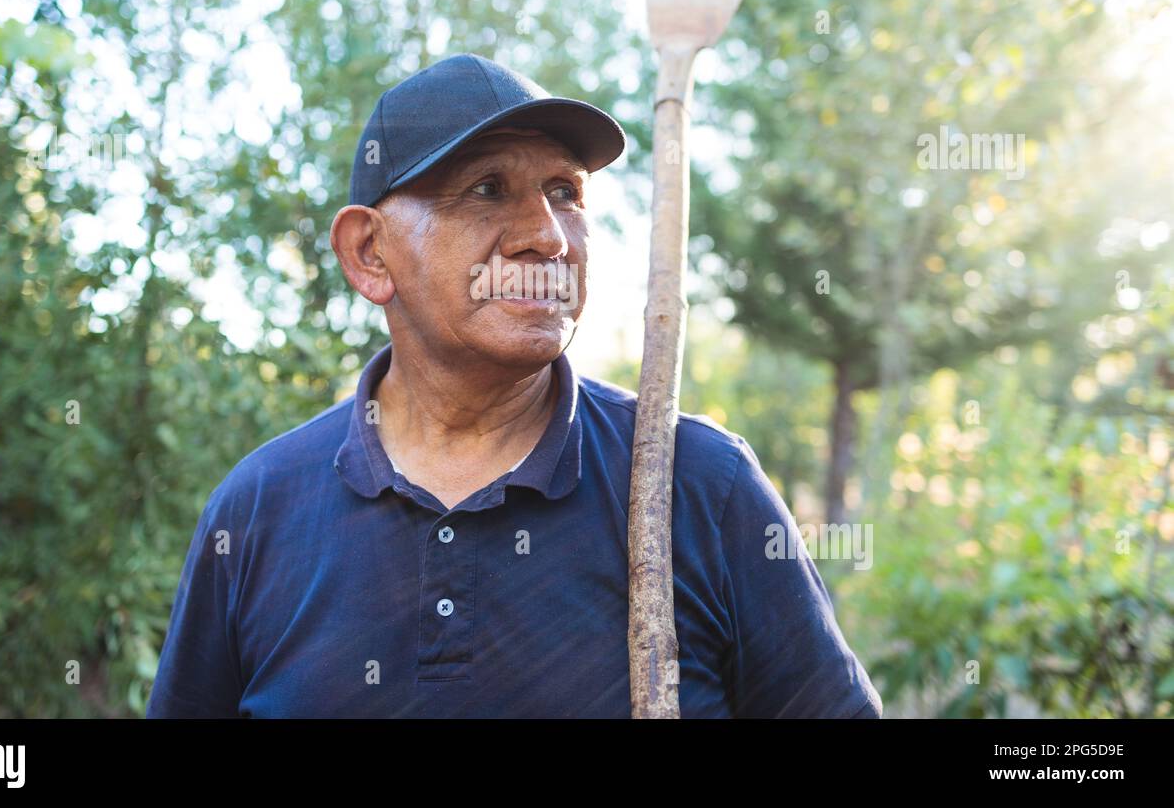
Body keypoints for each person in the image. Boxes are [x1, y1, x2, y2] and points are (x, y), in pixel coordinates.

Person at [146, 52, 883, 718]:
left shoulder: (695, 482)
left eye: (564, 192)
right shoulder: (258, 510)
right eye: (487, 189)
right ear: (369, 253)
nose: (549, 236)